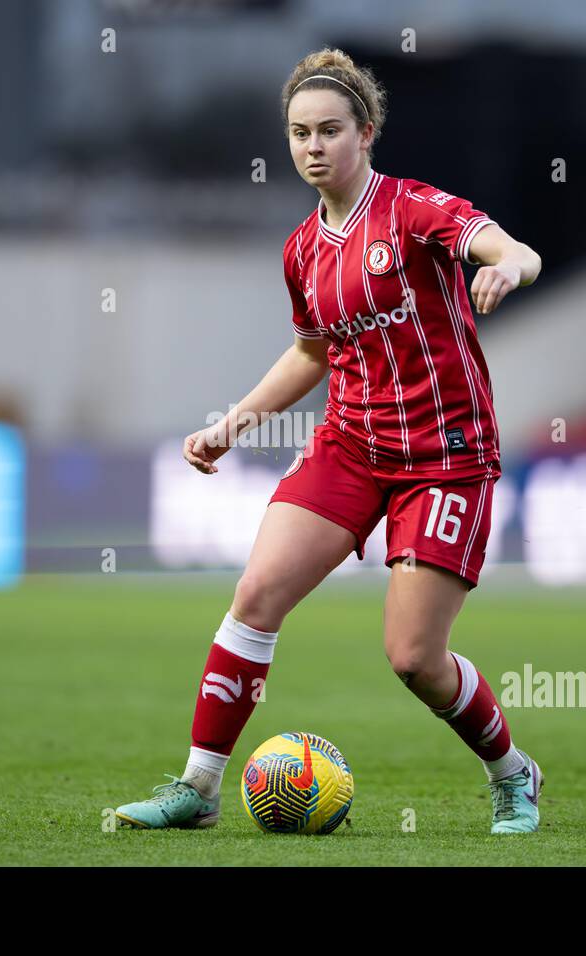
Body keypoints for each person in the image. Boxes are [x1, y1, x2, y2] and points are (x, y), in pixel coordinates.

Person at [115, 47, 544, 834]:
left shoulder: (413, 210)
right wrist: (233, 422)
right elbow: (313, 350)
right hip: (350, 446)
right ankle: (199, 789)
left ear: (366, 132)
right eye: (299, 133)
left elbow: (510, 246)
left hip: (445, 457)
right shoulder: (302, 251)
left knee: (414, 659)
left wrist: (508, 266)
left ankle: (513, 774)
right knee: (255, 596)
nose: (313, 147)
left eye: (329, 131)